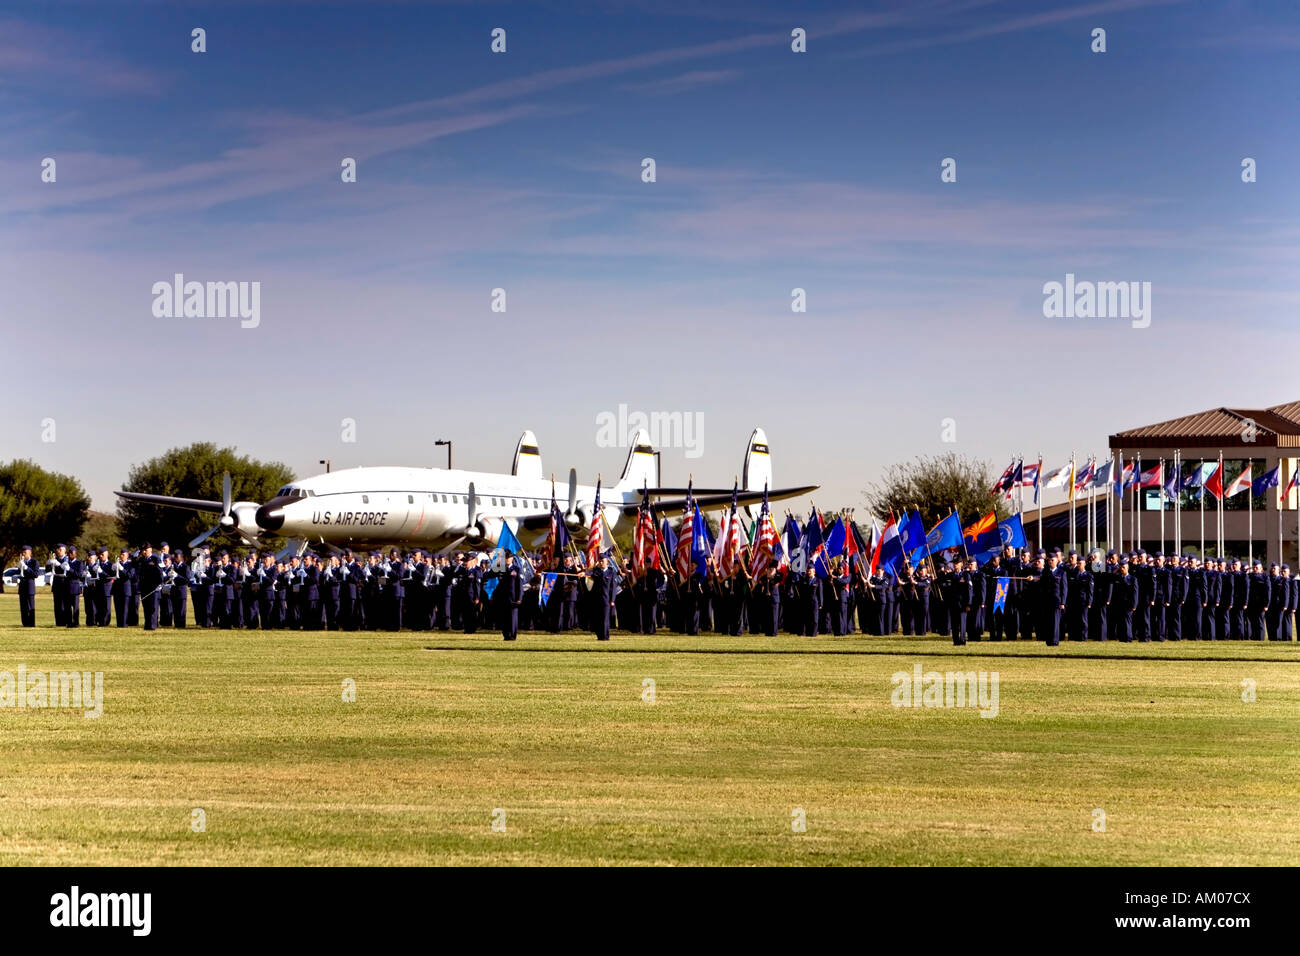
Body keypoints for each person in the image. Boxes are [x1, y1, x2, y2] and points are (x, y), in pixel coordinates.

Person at [16, 545, 39, 627]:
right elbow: (19, 573)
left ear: (30, 553)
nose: (23, 554)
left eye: (25, 552)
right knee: (23, 606)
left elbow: (35, 574)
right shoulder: (22, 562)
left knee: (30, 606)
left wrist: (26, 568)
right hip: (22, 586)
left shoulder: (34, 562)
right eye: (23, 552)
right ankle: (25, 623)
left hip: (30, 586)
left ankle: (31, 623)